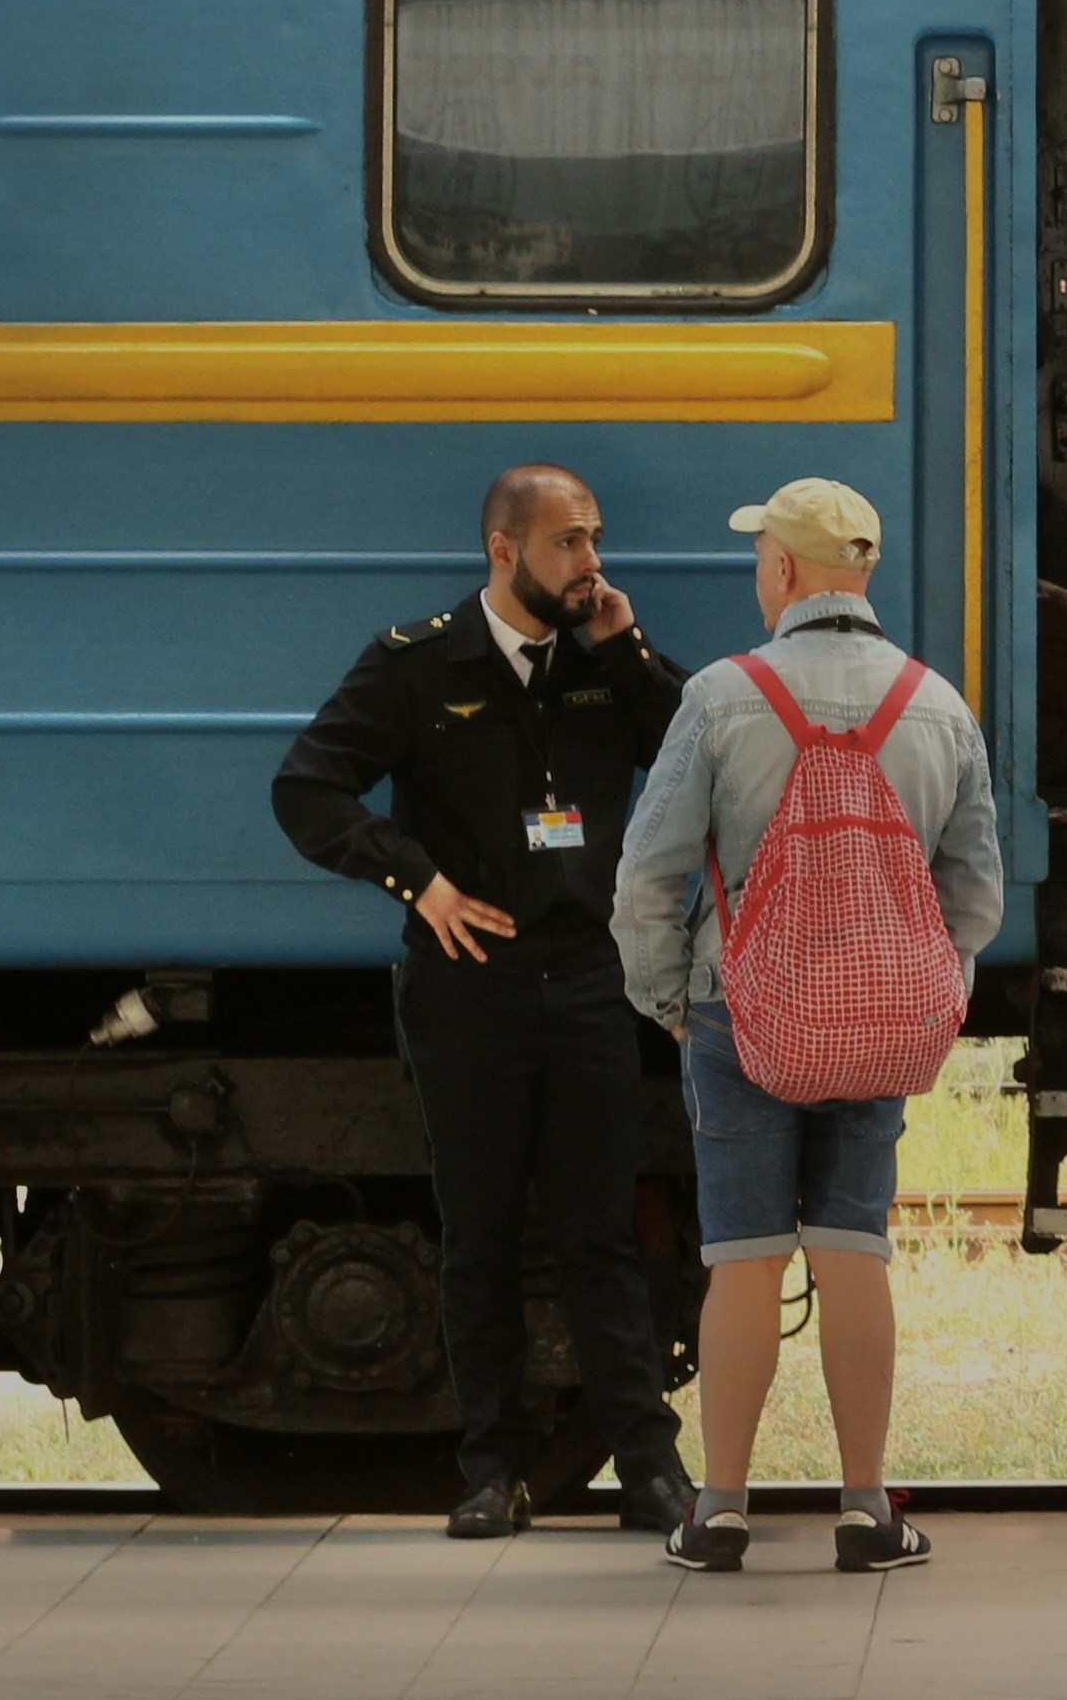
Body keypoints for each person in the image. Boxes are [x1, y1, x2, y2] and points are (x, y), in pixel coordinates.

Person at [272, 463, 697, 1540]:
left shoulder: (606, 658)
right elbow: (306, 785)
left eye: (595, 538)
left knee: (603, 1236)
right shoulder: (419, 663)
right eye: (567, 542)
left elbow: (699, 752)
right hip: (470, 993)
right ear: (503, 550)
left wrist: (631, 649)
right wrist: (415, 877)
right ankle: (491, 1469)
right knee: (482, 1236)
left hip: (590, 983)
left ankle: (649, 1470)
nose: (590, 561)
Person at [617, 477, 1000, 1574]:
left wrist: (670, 998)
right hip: (879, 1022)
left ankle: (721, 1509)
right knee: (852, 1247)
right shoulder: (936, 702)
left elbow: (646, 874)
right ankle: (867, 1509)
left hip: (741, 1011)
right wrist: (924, 989)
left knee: (740, 1255)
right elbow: (973, 897)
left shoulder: (725, 695)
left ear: (781, 570)